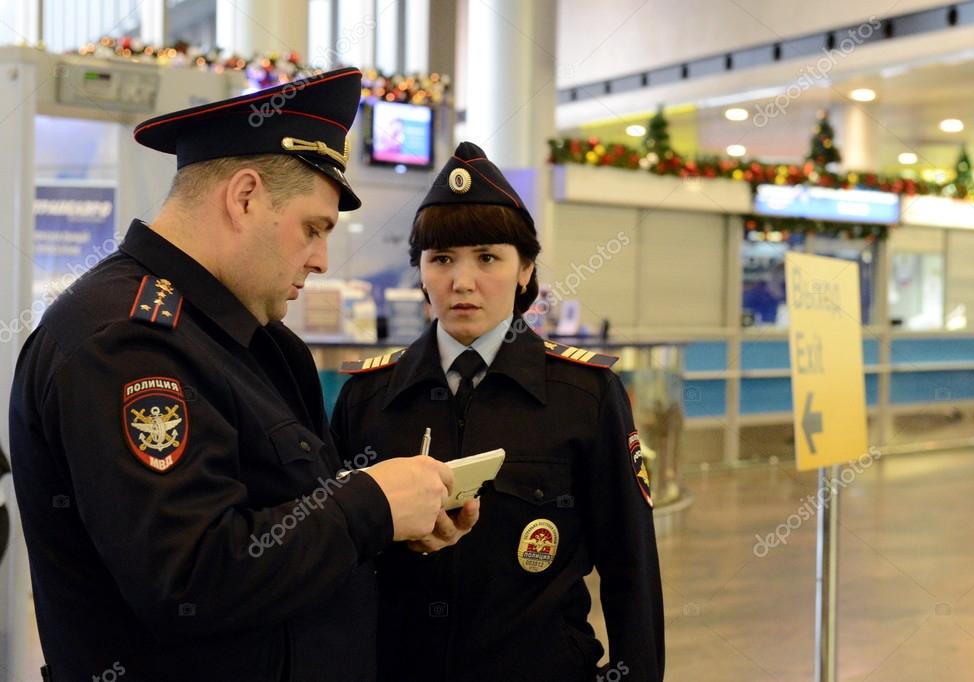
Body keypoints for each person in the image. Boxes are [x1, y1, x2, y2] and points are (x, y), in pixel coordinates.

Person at [9, 67, 477, 682]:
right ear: (246, 196)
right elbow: (190, 578)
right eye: (314, 228)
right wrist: (370, 506)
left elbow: (288, 516)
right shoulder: (127, 341)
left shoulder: (258, 341)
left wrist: (397, 521)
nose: (322, 258)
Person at [331, 142, 665, 682]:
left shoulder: (583, 395)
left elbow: (631, 566)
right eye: (441, 259)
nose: (462, 281)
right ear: (419, 271)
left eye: (487, 257)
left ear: (525, 269)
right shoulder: (369, 397)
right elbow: (337, 556)